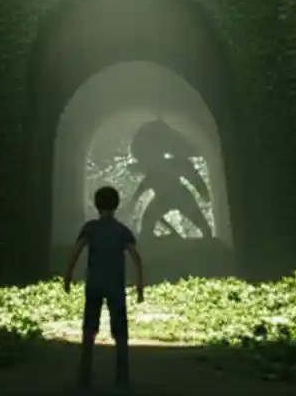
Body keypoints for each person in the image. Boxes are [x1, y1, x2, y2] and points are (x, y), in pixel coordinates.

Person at [63, 185, 145, 391]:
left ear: (96, 205)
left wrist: (67, 276)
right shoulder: (122, 231)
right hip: (115, 286)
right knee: (121, 332)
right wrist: (140, 285)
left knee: (89, 329)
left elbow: (75, 252)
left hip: (94, 285)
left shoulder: (90, 228)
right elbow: (136, 258)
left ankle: (84, 375)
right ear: (116, 205)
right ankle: (122, 377)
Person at [126, 119, 213, 239]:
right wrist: (203, 191)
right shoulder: (163, 166)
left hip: (178, 196)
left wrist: (202, 191)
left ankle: (207, 239)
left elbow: (190, 174)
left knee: (201, 224)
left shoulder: (171, 164)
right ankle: (149, 241)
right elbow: (144, 185)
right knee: (147, 221)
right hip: (169, 197)